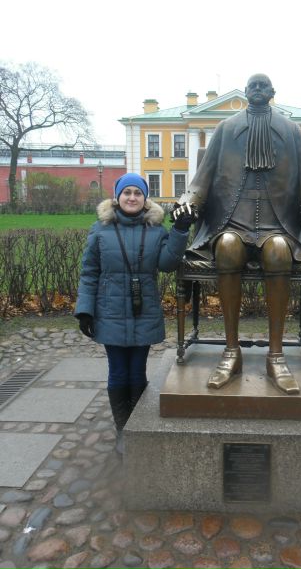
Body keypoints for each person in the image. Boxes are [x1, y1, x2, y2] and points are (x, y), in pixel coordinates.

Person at [176, 73, 301, 395]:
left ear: (273, 91)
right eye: (253, 86)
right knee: (227, 247)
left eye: (264, 86)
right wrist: (187, 201)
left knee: (278, 251)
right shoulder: (226, 129)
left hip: (279, 224)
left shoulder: (291, 130)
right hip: (231, 221)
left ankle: (276, 356)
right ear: (246, 92)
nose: (258, 90)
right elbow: (201, 179)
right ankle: (231, 352)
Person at [75, 173, 195, 453]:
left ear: (145, 198)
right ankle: (123, 429)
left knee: (137, 372)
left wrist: (179, 230)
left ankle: (137, 427)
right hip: (110, 311)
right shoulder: (100, 230)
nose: (132, 197)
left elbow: (167, 263)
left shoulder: (156, 230)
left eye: (137, 193)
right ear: (117, 197)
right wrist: (85, 310)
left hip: (144, 311)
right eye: (126, 192)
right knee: (118, 372)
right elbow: (90, 272)